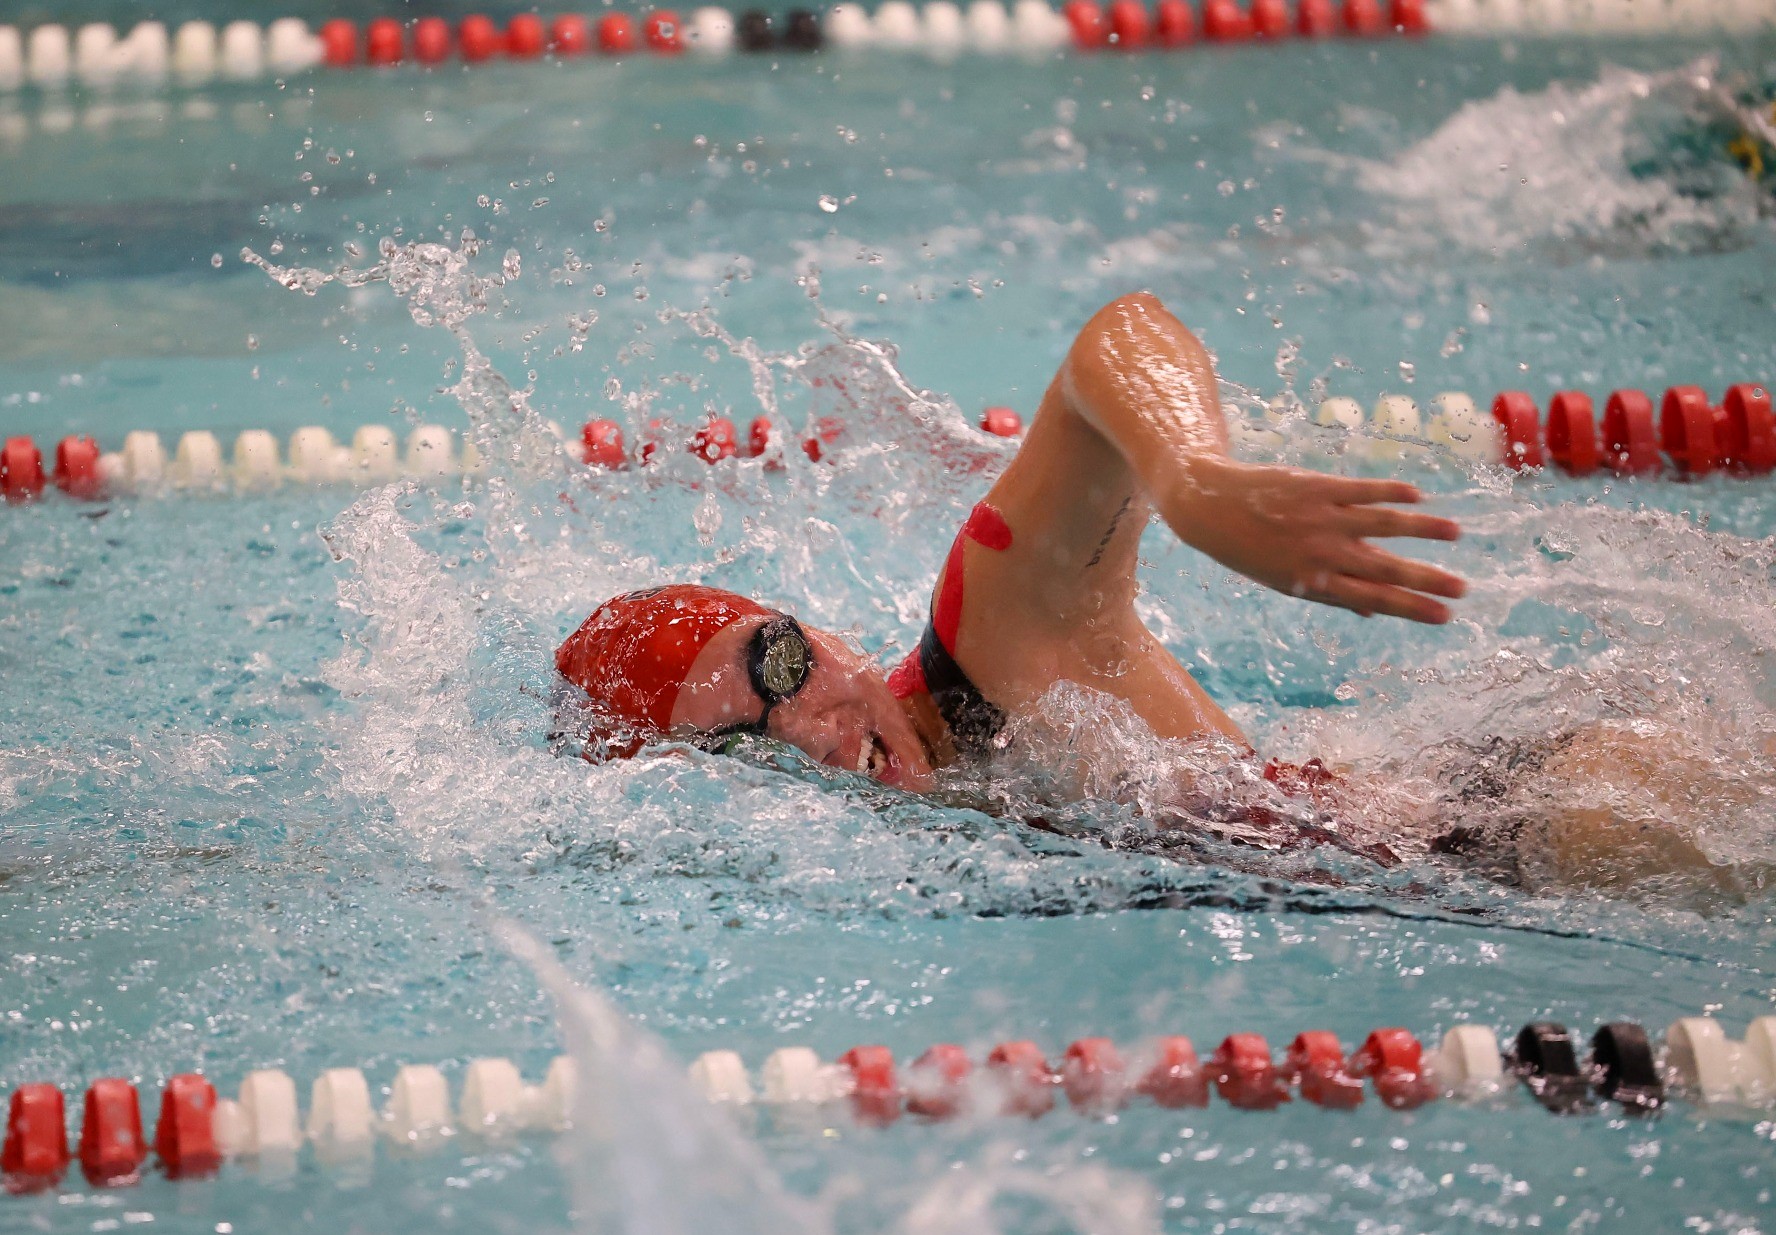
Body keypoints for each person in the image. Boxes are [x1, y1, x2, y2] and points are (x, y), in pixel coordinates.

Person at [553, 293, 1758, 899]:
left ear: (816, 627)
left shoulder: (992, 647)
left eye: (775, 666)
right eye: (745, 744)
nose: (808, 727)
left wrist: (1189, 477)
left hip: (1559, 819)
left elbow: (1113, 343)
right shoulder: (942, 827)